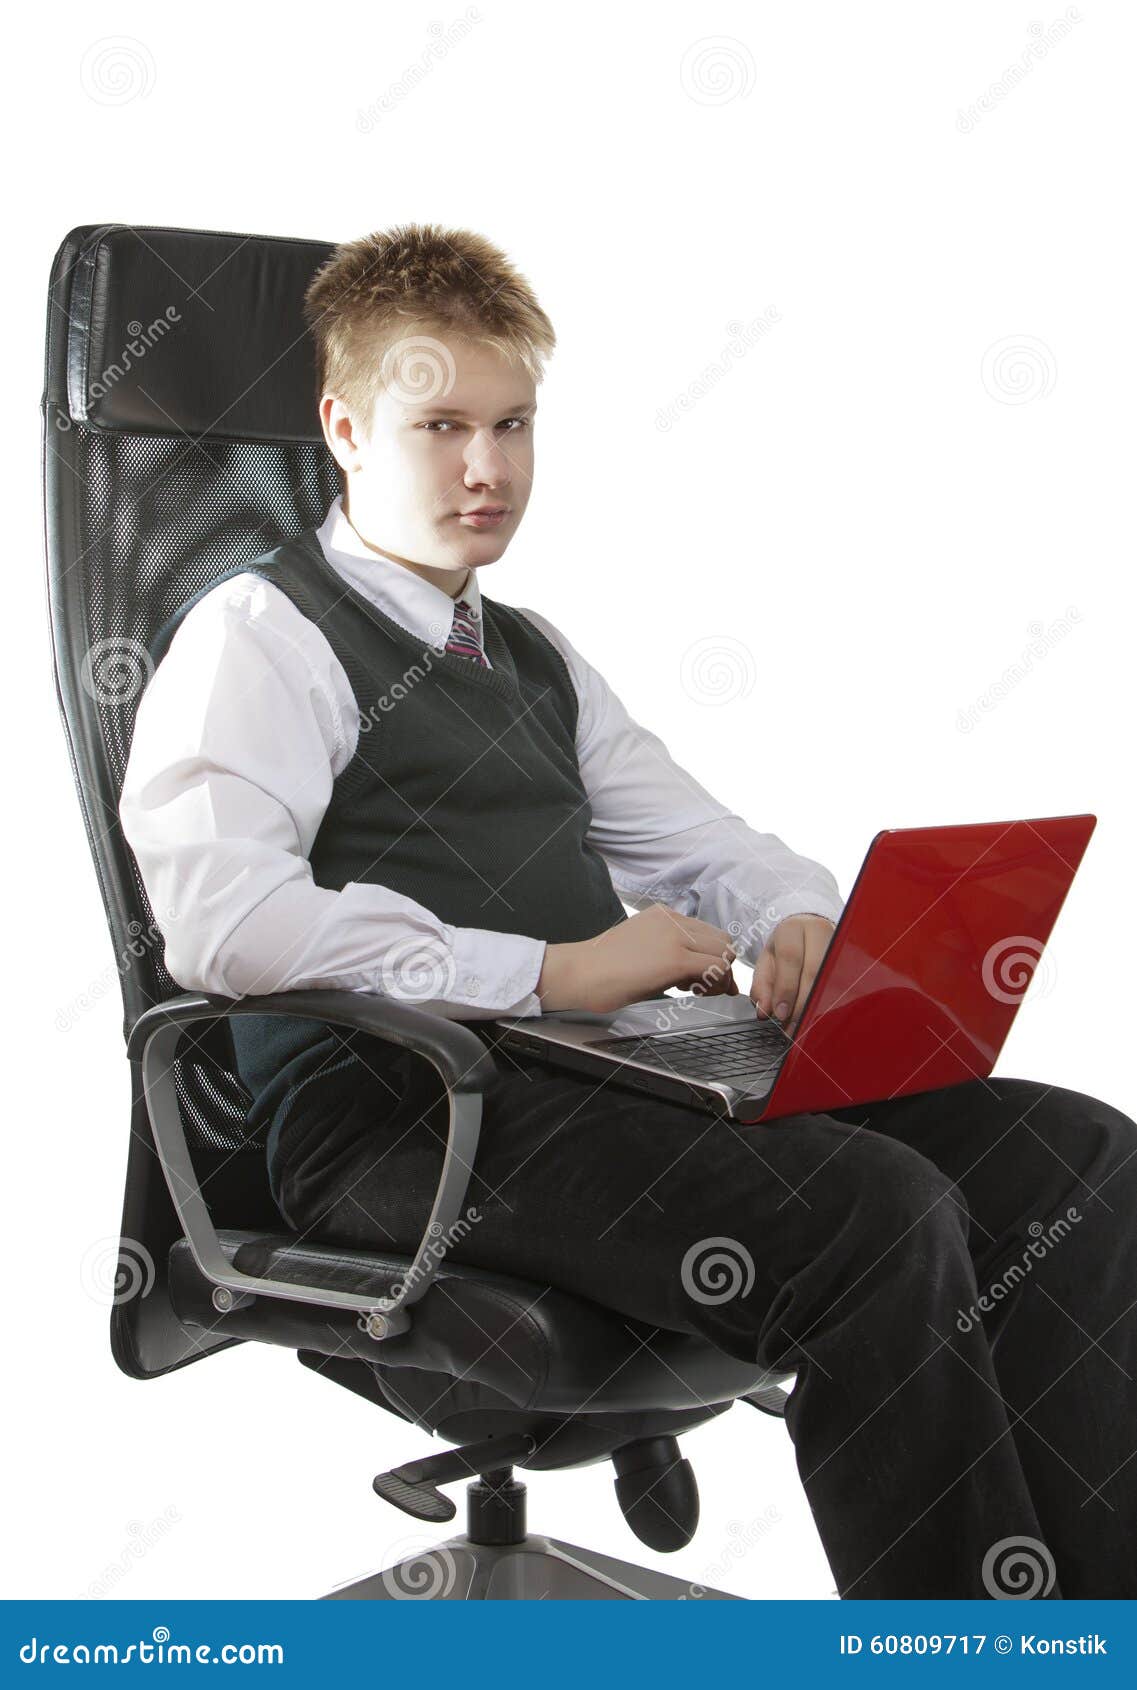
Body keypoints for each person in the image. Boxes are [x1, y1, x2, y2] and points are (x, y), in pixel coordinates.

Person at [118, 224, 1137, 1600]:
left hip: (595, 1085)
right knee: (876, 1216)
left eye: (512, 423)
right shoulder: (258, 637)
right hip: (397, 1128)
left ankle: (1081, 1622)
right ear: (344, 428)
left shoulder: (530, 657)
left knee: (1068, 1157)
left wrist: (791, 920)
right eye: (441, 427)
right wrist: (555, 967)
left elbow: (710, 844)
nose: (487, 469)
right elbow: (224, 927)